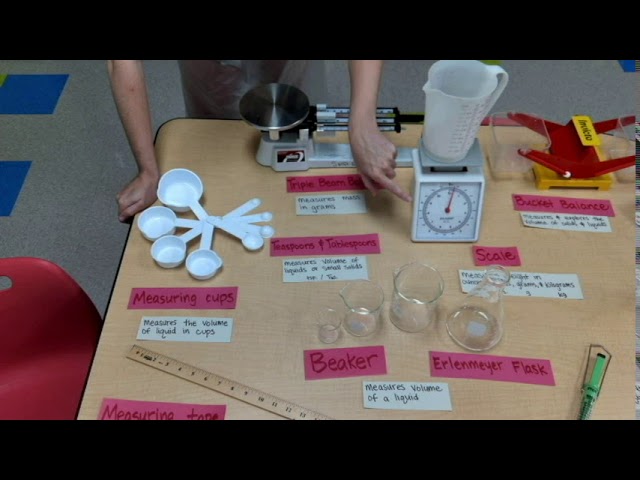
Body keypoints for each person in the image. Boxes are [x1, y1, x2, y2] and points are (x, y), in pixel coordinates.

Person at [107, 60, 412, 223]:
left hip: (291, 70)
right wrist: (148, 170)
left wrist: (362, 125)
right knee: (216, 145)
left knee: (296, 118)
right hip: (209, 72)